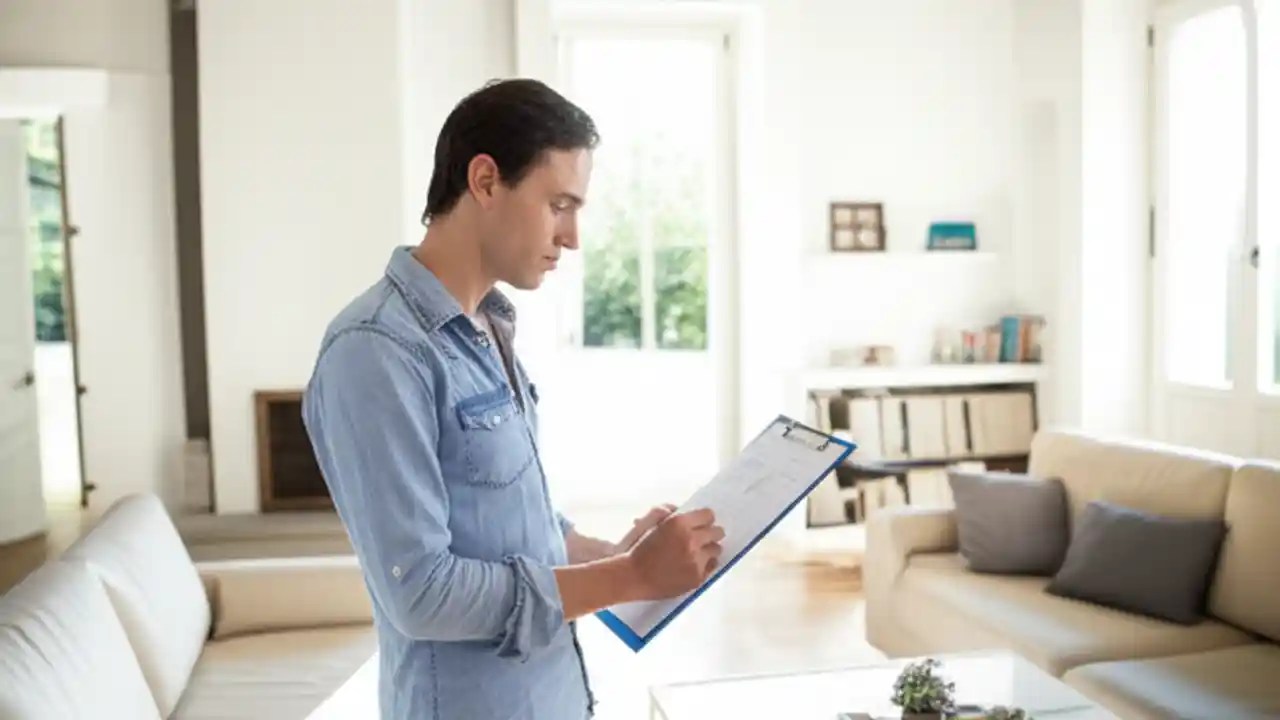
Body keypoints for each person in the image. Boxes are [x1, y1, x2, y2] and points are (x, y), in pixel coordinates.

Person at [301, 78, 725, 719]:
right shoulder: (375, 351)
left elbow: (510, 522)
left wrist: (620, 556)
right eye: (559, 204)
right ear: (485, 181)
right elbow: (421, 593)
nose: (573, 236)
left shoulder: (488, 326)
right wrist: (631, 578)